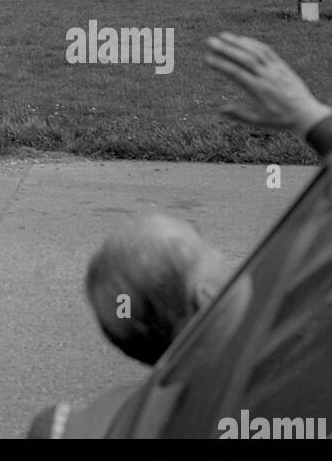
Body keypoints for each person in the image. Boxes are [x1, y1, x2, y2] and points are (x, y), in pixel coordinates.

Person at [28, 32, 332, 438]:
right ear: (206, 298)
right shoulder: (297, 380)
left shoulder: (86, 427)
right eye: (205, 244)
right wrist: (310, 117)